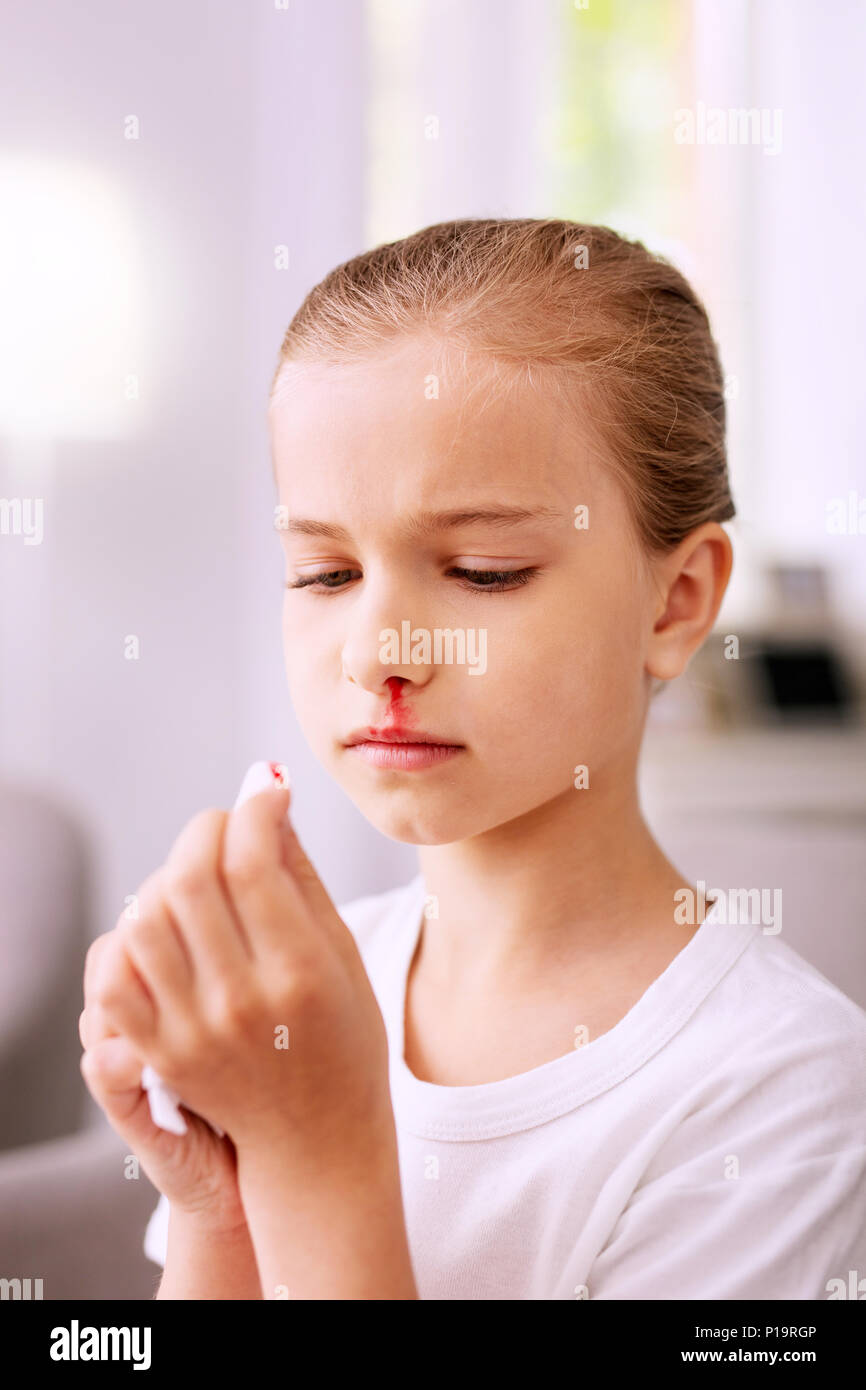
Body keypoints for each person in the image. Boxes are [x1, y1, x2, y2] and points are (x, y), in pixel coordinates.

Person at [81, 219, 866, 1299]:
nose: (380, 653)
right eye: (322, 573)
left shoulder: (779, 1089)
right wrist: (220, 1202)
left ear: (676, 601)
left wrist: (315, 1155)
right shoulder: (307, 988)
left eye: (483, 571)